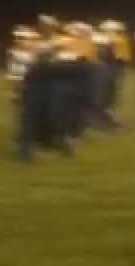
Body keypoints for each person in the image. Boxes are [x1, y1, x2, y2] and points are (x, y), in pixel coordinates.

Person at [48, 23, 97, 153]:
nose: (73, 34)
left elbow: (87, 67)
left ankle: (72, 137)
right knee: (61, 112)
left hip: (78, 85)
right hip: (63, 84)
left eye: (77, 32)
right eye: (72, 32)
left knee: (75, 113)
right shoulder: (62, 43)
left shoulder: (86, 45)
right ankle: (63, 137)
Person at [8, 26, 47, 162]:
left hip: (37, 89)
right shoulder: (16, 55)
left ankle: (28, 147)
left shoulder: (37, 55)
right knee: (24, 121)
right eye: (23, 39)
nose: (28, 42)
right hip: (25, 89)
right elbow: (15, 76)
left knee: (33, 120)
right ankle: (25, 151)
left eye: (30, 40)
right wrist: (14, 91)